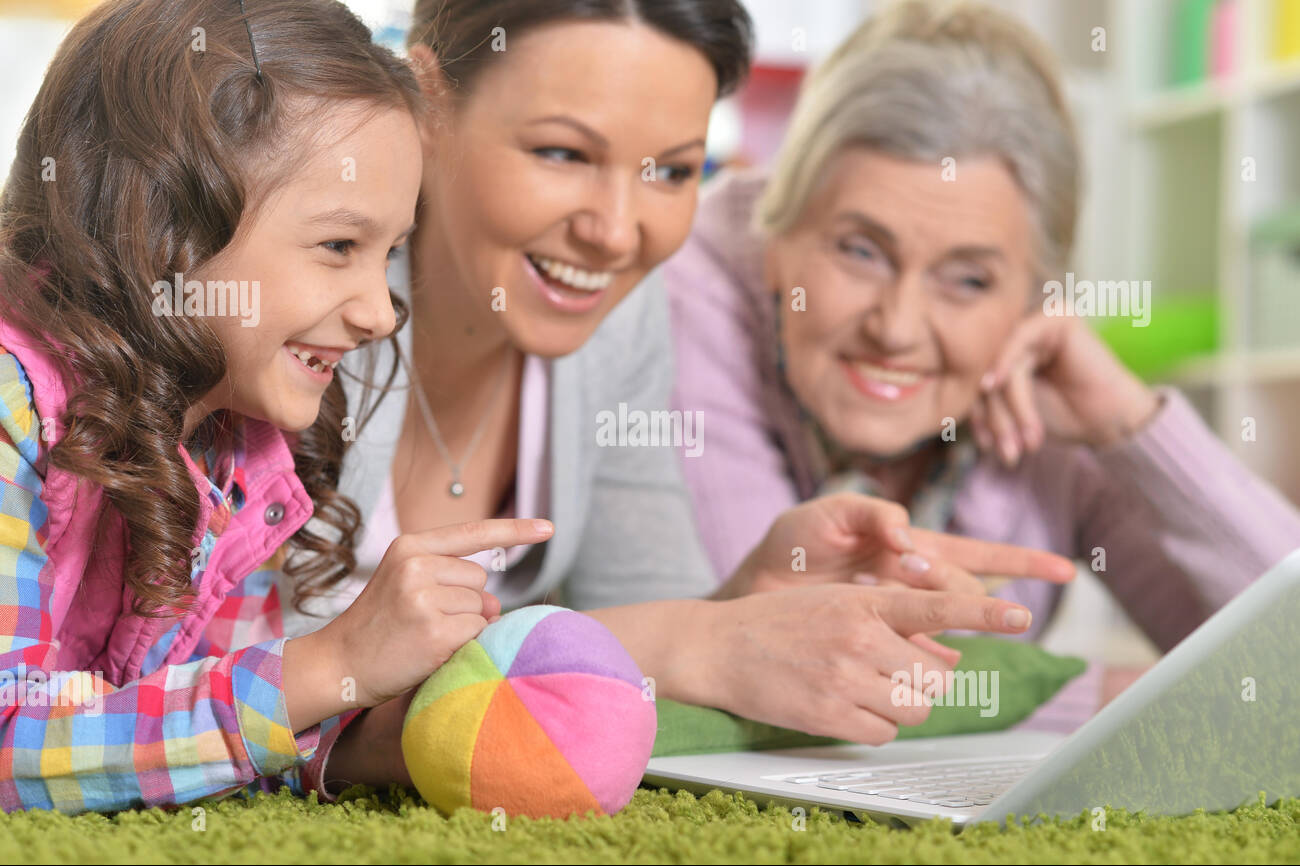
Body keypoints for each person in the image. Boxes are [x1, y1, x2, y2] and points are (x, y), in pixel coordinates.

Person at [278, 0, 1078, 793]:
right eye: (563, 152)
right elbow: (204, 690)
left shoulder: (618, 321)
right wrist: (692, 639)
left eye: (670, 170)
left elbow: (652, 640)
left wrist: (752, 600)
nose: (619, 232)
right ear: (430, 101)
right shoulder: (311, 281)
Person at [664, 0, 1300, 731]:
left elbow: (1289, 654)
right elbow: (782, 656)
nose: (896, 328)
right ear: (776, 233)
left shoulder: (1042, 379)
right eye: (859, 250)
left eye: (967, 280)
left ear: (1033, 298)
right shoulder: (692, 291)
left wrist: (1131, 426)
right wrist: (1101, 699)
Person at [0, 0, 558, 814]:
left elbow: (185, 713)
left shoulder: (235, 435)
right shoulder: (15, 407)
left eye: (391, 253)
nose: (379, 310)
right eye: (339, 246)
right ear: (166, 229)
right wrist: (325, 662)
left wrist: (366, 728)